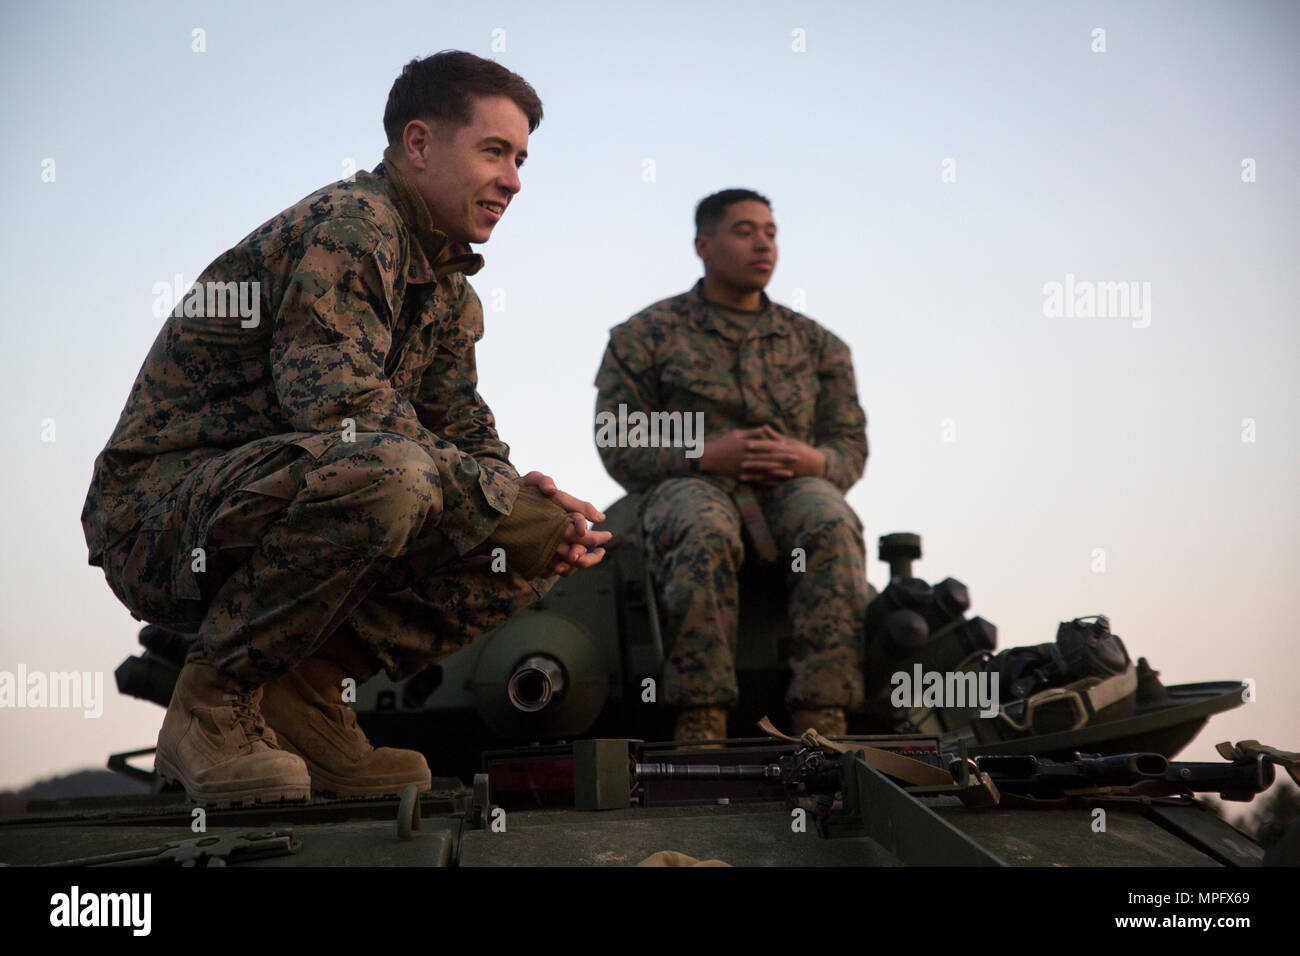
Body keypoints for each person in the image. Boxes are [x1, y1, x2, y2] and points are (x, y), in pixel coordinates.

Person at [81, 51, 609, 806]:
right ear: (419, 144)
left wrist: (526, 502)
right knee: (392, 474)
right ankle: (211, 703)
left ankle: (305, 696)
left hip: (286, 494)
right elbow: (339, 412)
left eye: (521, 159)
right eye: (494, 151)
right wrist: (493, 497)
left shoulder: (448, 289)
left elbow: (464, 432)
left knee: (532, 540)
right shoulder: (353, 227)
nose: (514, 180)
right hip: (161, 517)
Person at [593, 189, 869, 741]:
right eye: (745, 231)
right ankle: (701, 717)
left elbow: (850, 446)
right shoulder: (644, 336)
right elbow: (617, 441)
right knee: (704, 528)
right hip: (690, 484)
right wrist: (702, 452)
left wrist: (807, 457)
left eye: (770, 231)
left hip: (789, 484)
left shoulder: (818, 345)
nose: (763, 244)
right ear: (704, 244)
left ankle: (823, 719)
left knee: (833, 523)